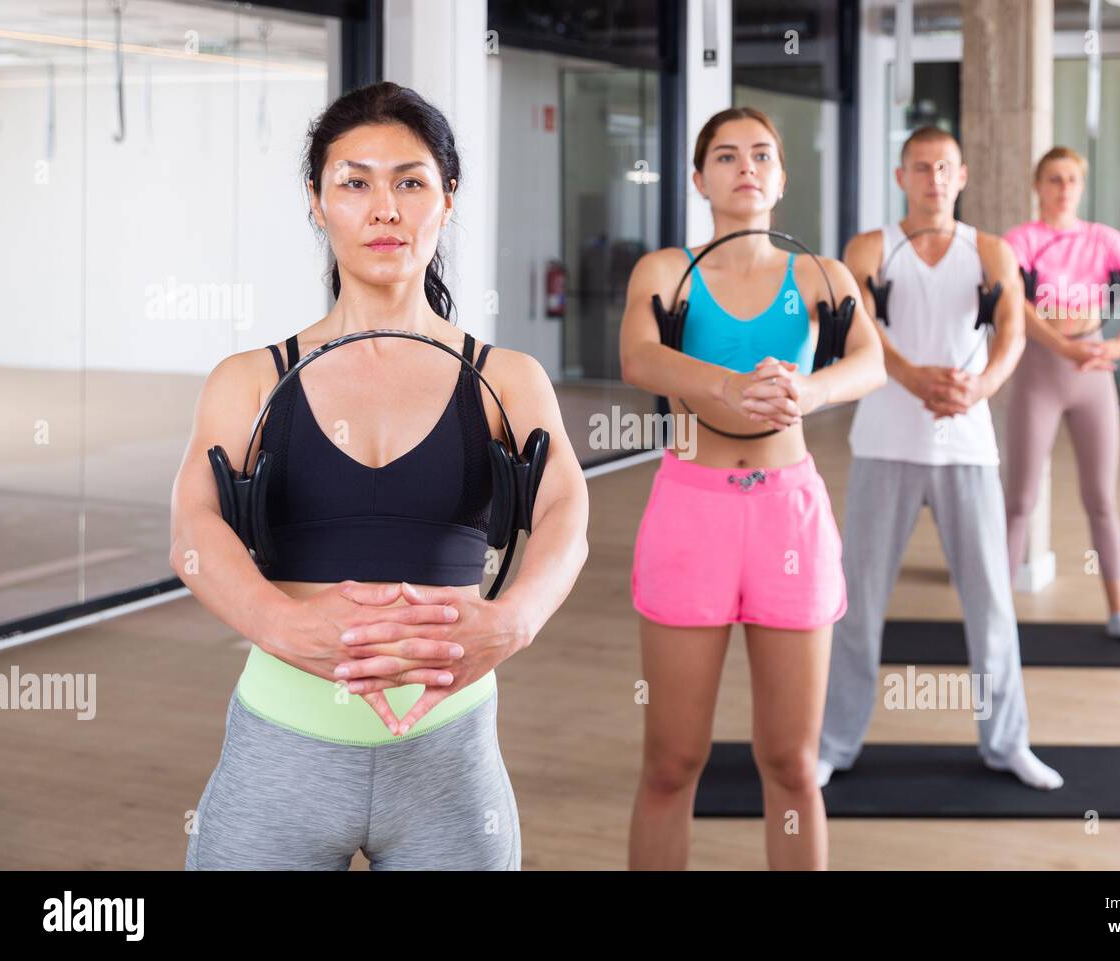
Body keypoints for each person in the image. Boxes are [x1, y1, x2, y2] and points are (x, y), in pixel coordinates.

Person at [170, 82, 589, 870]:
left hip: (450, 760)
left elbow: (568, 504)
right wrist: (279, 622)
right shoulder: (250, 379)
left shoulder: (507, 378)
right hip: (282, 753)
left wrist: (518, 617)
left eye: (410, 181)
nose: (384, 208)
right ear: (317, 200)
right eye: (354, 182)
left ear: (448, 197)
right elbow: (193, 528)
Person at [619, 107, 886, 870]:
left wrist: (809, 390)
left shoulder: (821, 274)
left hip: (787, 520)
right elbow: (639, 357)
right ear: (699, 178)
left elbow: (869, 363)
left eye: (762, 154)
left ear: (781, 177)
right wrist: (731, 387)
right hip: (690, 515)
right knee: (671, 762)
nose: (746, 167)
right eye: (727, 156)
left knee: (794, 765)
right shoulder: (667, 270)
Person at [818, 126, 1064, 791]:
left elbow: (1012, 331)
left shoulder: (990, 250)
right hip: (884, 442)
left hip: (967, 447)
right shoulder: (870, 247)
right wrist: (910, 375)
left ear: (961, 177)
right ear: (902, 177)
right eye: (921, 168)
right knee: (858, 604)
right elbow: (858, 330)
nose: (934, 179)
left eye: (945, 168)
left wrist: (980, 386)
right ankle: (834, 742)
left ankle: (1007, 741)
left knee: (991, 603)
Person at [1003, 146, 1120, 650]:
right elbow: (1016, 308)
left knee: (1101, 499)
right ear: (1038, 186)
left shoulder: (1103, 238)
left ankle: (1119, 612)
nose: (1063, 187)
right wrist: (1062, 346)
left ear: (1081, 185)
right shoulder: (1021, 240)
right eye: (1053, 179)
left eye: (1071, 179)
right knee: (1019, 501)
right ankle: (996, 621)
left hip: (1094, 373)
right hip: (1040, 372)